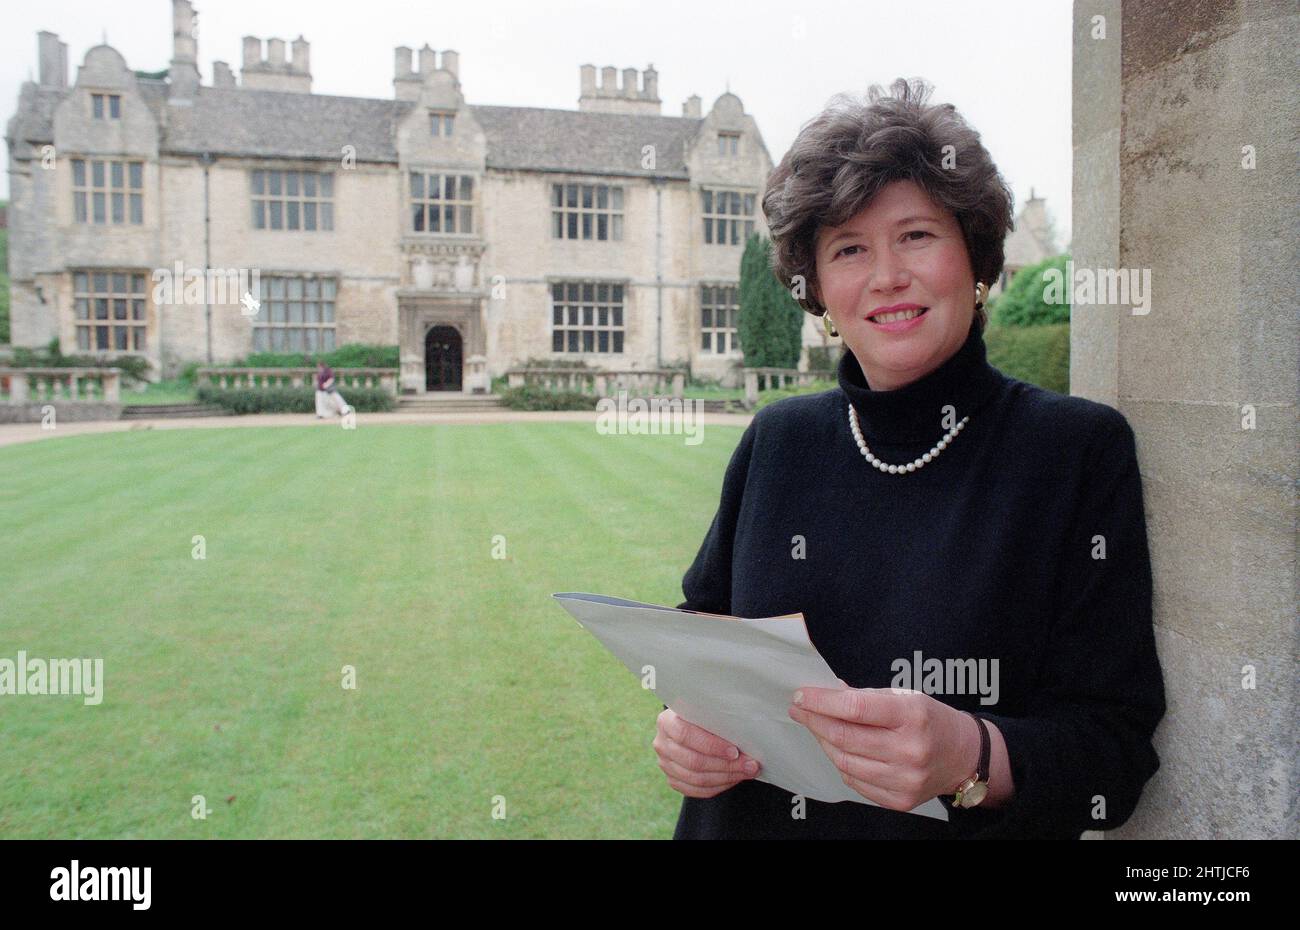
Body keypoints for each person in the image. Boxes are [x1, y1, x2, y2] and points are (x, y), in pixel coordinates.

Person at [655, 78, 1166, 839]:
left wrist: (972, 754)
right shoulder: (778, 439)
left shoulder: (1073, 452)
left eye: (917, 235)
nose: (887, 275)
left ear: (978, 258)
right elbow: (702, 633)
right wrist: (683, 728)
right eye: (850, 249)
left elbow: (1113, 752)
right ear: (820, 289)